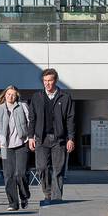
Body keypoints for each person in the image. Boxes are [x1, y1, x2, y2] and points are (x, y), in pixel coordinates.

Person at [27, 68, 74, 204]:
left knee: (58, 169)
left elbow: (70, 119)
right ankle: (47, 193)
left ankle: (56, 198)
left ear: (56, 81)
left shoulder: (65, 97)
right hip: (41, 138)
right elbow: (32, 118)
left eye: (50, 80)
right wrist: (30, 137)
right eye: (45, 81)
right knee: (42, 167)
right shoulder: (37, 97)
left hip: (59, 139)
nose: (47, 83)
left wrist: (70, 138)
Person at [0, 85, 32, 211]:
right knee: (9, 175)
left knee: (20, 173)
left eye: (13, 94)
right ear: (5, 95)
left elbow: (30, 123)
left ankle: (24, 196)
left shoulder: (23, 106)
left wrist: (31, 138)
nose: (10, 96)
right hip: (5, 146)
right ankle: (13, 203)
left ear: (17, 96)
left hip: (22, 143)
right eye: (8, 94)